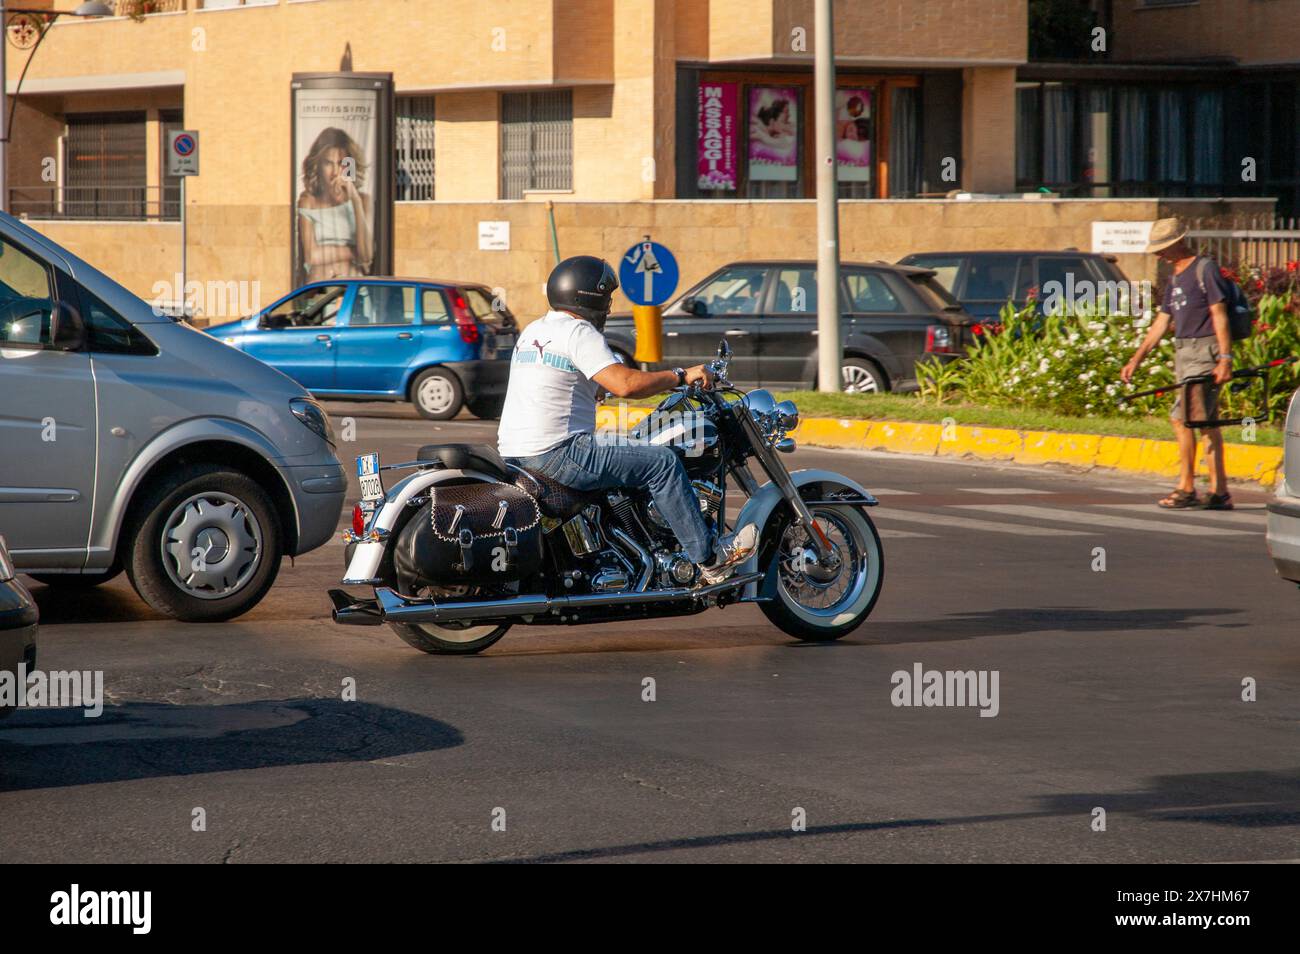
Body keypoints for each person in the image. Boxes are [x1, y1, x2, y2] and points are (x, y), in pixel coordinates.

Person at [497, 256, 758, 584]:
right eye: (606, 298)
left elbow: (560, 377)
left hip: (518, 453)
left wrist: (595, 385)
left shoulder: (536, 329)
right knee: (661, 463)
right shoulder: (579, 331)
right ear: (589, 297)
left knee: (630, 454)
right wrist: (682, 375)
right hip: (561, 452)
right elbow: (626, 385)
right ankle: (711, 559)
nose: (608, 306)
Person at [1121, 217, 1235, 510]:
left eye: (1161, 248)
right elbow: (1161, 323)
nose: (1158, 254)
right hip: (1184, 353)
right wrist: (1137, 358)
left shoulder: (1203, 269)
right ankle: (1219, 491)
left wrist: (1224, 358)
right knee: (1204, 421)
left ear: (1176, 243)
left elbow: (1218, 313)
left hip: (1204, 351)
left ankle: (1186, 487)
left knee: (1183, 419)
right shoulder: (1174, 277)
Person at [297, 127, 374, 284]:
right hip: (320, 291)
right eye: (328, 163)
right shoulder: (308, 201)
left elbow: (366, 255)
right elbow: (311, 256)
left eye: (341, 164)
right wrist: (353, 253)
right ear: (318, 165)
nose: (334, 172)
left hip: (354, 293)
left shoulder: (363, 201)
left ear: (350, 165)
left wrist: (355, 200)